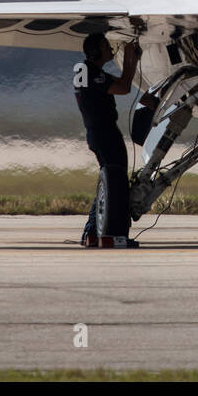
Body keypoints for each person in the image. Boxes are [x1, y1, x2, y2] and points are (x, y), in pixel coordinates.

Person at [74, 33, 140, 248]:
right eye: (105, 46)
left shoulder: (84, 71)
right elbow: (123, 88)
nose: (110, 49)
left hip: (97, 133)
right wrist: (131, 61)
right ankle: (107, 233)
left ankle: (93, 233)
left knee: (109, 182)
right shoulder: (90, 73)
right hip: (105, 133)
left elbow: (116, 84)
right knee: (115, 179)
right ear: (95, 51)